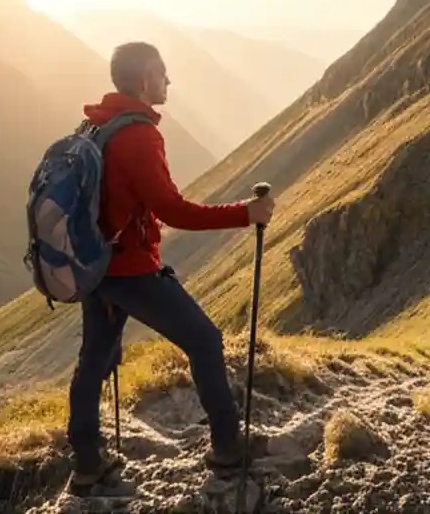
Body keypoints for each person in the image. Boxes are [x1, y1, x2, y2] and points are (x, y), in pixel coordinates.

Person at [66, 41, 275, 494]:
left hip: (94, 266)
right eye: (162, 74)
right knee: (204, 339)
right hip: (129, 270)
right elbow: (173, 211)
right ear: (145, 81)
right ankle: (226, 445)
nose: (169, 82)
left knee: (95, 358)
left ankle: (86, 462)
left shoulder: (96, 123)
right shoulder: (139, 135)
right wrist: (246, 213)